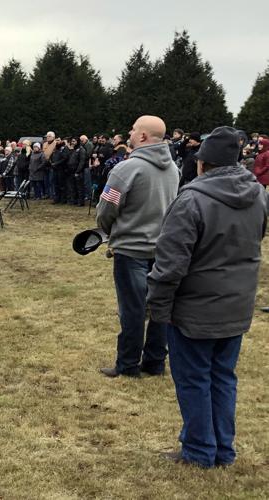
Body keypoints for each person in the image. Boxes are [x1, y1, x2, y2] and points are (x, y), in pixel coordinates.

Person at [147, 126, 268, 468]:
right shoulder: (259, 194)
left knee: (195, 379)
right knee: (222, 376)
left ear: (202, 164)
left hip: (195, 310)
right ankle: (221, 449)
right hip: (235, 305)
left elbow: (169, 264)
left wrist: (158, 307)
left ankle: (201, 450)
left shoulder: (191, 200)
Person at [96, 115, 180, 378]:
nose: (129, 133)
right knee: (159, 310)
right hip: (163, 250)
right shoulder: (174, 169)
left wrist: (110, 233)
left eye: (133, 130)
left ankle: (128, 364)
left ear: (142, 136)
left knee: (132, 311)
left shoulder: (126, 169)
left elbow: (106, 210)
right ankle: (155, 361)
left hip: (131, 250)